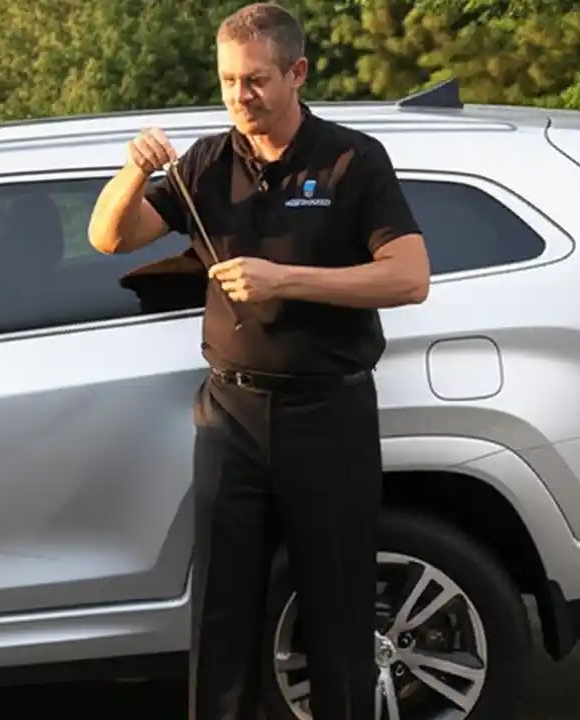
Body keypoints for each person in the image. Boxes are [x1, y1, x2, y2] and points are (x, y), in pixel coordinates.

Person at [88, 2, 431, 718]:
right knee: (222, 616)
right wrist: (131, 172)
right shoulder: (209, 162)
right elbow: (109, 238)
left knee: (338, 615)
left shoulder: (351, 160)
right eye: (227, 81)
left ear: (297, 72)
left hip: (328, 413)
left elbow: (409, 278)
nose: (239, 96)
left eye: (255, 80)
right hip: (231, 417)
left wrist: (285, 280)